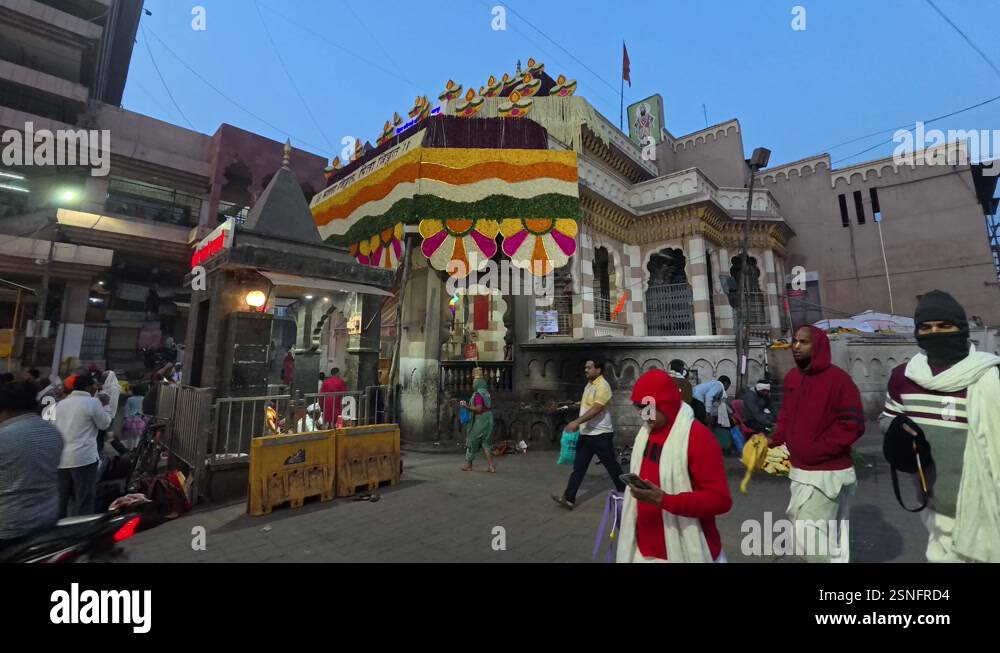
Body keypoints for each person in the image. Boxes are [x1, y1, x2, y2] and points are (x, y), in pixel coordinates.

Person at [879, 290, 1000, 562]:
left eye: (945, 326)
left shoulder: (990, 376)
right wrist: (897, 432)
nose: (935, 332)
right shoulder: (904, 377)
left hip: (988, 507)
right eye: (926, 327)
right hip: (934, 505)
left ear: (962, 329)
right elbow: (887, 419)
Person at [617, 369, 732, 562]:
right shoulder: (645, 433)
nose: (643, 415)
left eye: (648, 407)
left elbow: (720, 500)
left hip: (686, 551)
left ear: (666, 404)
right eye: (639, 407)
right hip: (643, 550)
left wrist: (665, 500)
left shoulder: (698, 437)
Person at [770, 326, 864, 563]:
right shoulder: (792, 377)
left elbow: (852, 425)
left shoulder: (840, 380)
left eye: (804, 342)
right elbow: (786, 417)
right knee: (811, 538)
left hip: (828, 473)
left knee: (811, 540)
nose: (796, 346)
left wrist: (816, 448)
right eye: (794, 341)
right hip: (800, 471)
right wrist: (772, 441)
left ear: (819, 345)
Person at [552, 360, 625, 510]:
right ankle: (569, 498)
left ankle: (627, 493)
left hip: (601, 434)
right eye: (585, 367)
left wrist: (576, 422)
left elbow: (597, 408)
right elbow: (587, 408)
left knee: (612, 466)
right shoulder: (589, 385)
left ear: (598, 370)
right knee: (579, 467)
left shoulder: (603, 386)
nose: (586, 370)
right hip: (586, 434)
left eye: (589, 367)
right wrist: (581, 425)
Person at [0, 382, 64, 546]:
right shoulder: (53, 432)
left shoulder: (5, 436)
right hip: (47, 520)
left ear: (6, 408)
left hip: (8, 526)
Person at [55, 374, 112, 517]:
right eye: (94, 386)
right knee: (84, 498)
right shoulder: (92, 403)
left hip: (61, 459)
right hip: (83, 458)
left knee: (62, 499)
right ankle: (81, 531)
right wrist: (106, 406)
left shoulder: (61, 404)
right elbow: (104, 424)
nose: (95, 388)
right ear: (88, 387)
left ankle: (58, 531)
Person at [460, 377, 496, 473]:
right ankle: (491, 466)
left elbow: (479, 409)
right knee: (484, 442)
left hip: (481, 420)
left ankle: (469, 464)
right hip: (488, 419)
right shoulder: (486, 393)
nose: (473, 385)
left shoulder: (478, 395)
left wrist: (466, 406)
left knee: (472, 440)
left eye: (474, 383)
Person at [98, 370, 121, 454]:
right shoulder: (108, 387)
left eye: (105, 378)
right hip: (106, 414)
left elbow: (109, 403)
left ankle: (123, 451)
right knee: (105, 435)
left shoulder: (113, 388)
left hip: (108, 414)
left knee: (106, 436)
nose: (103, 379)